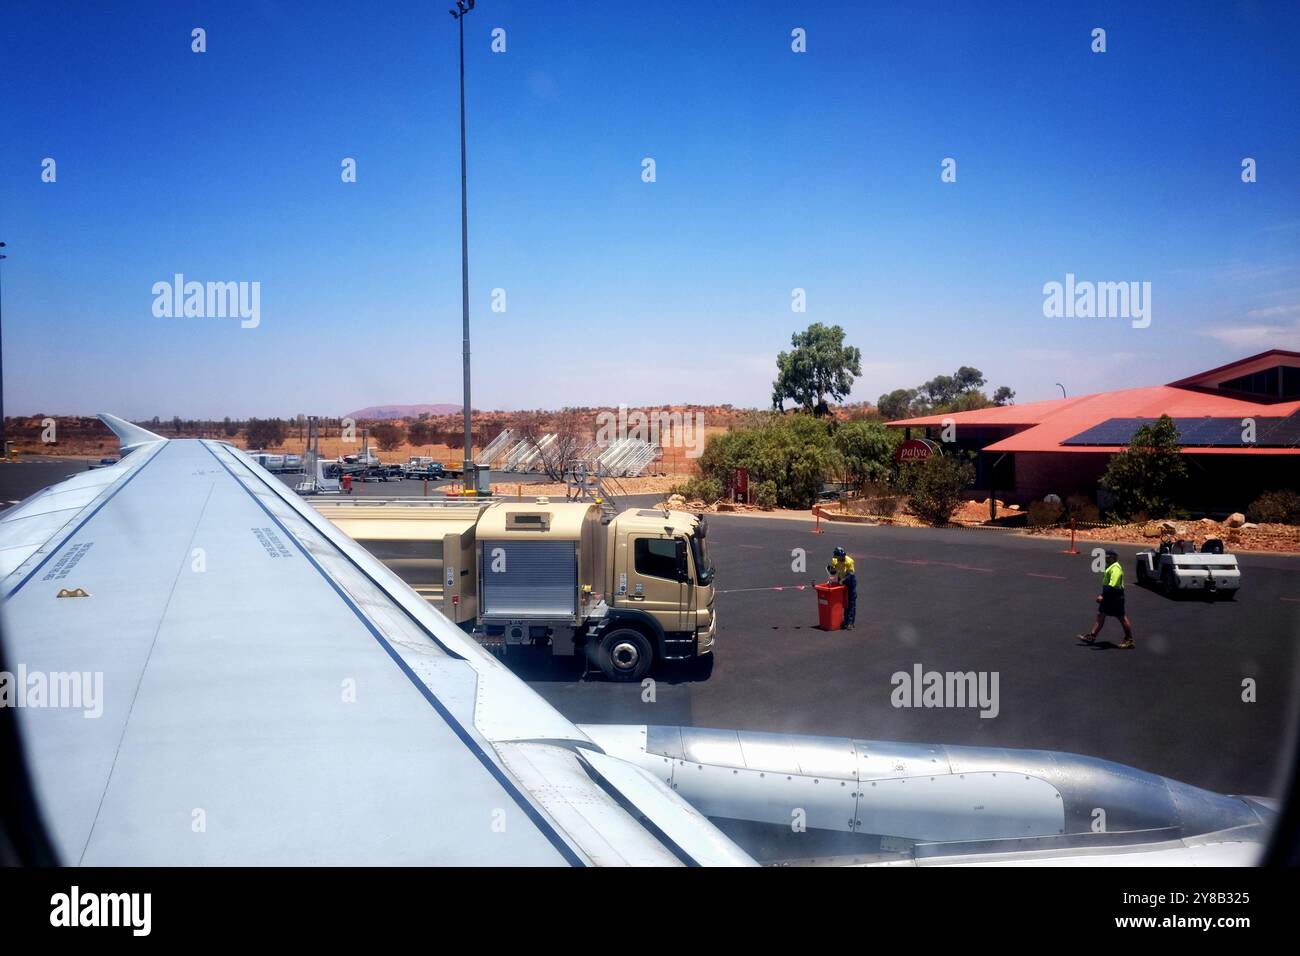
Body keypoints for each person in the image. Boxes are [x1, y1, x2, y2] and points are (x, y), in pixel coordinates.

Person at [1078, 549, 1134, 649]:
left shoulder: (1116, 568)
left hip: (1115, 596)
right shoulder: (1110, 566)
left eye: (1107, 557)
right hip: (1109, 595)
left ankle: (1129, 639)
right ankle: (1092, 636)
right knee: (1101, 615)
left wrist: (1103, 596)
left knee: (1121, 617)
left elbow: (1112, 586)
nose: (1105, 559)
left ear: (1112, 558)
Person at [826, 546, 857, 631]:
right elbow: (833, 571)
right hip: (841, 579)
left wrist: (843, 580)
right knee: (844, 602)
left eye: (840, 557)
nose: (839, 559)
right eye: (838, 557)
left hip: (850, 581)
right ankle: (845, 621)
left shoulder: (849, 561)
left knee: (851, 602)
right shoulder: (835, 560)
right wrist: (831, 576)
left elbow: (850, 574)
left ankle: (850, 623)